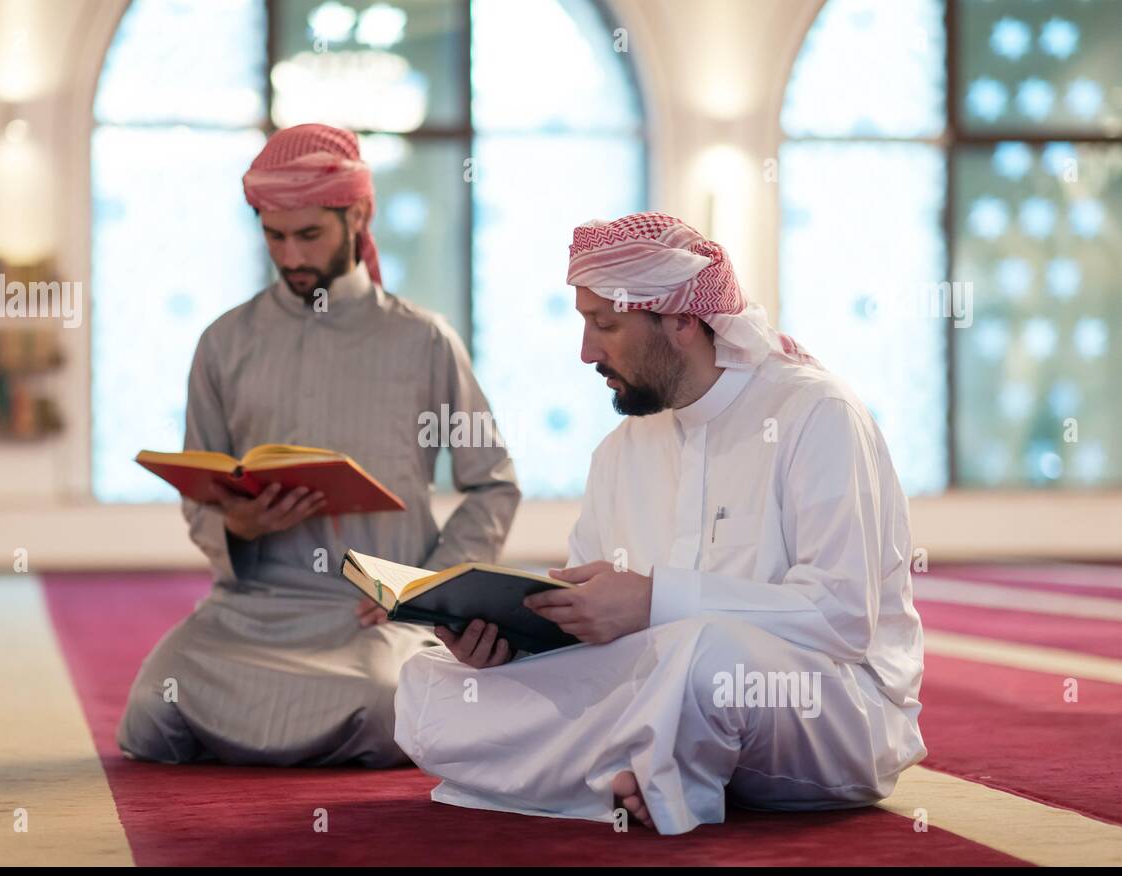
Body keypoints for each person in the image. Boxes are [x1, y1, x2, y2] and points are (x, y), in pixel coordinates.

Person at [393, 212, 926, 834]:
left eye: (606, 325)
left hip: (823, 708)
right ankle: (645, 771)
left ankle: (638, 773)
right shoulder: (620, 452)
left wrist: (654, 601)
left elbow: (841, 619)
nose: (587, 351)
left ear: (679, 320)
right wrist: (509, 649)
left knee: (707, 659)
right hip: (656, 692)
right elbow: (595, 633)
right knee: (429, 685)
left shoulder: (816, 413)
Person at [117, 124, 521, 767]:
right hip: (247, 611)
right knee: (154, 713)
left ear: (357, 215)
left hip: (371, 618)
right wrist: (239, 526)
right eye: (274, 236)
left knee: (386, 704)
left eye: (310, 235)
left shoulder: (424, 341)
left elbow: (492, 482)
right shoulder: (224, 342)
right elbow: (201, 496)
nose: (291, 256)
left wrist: (427, 587)